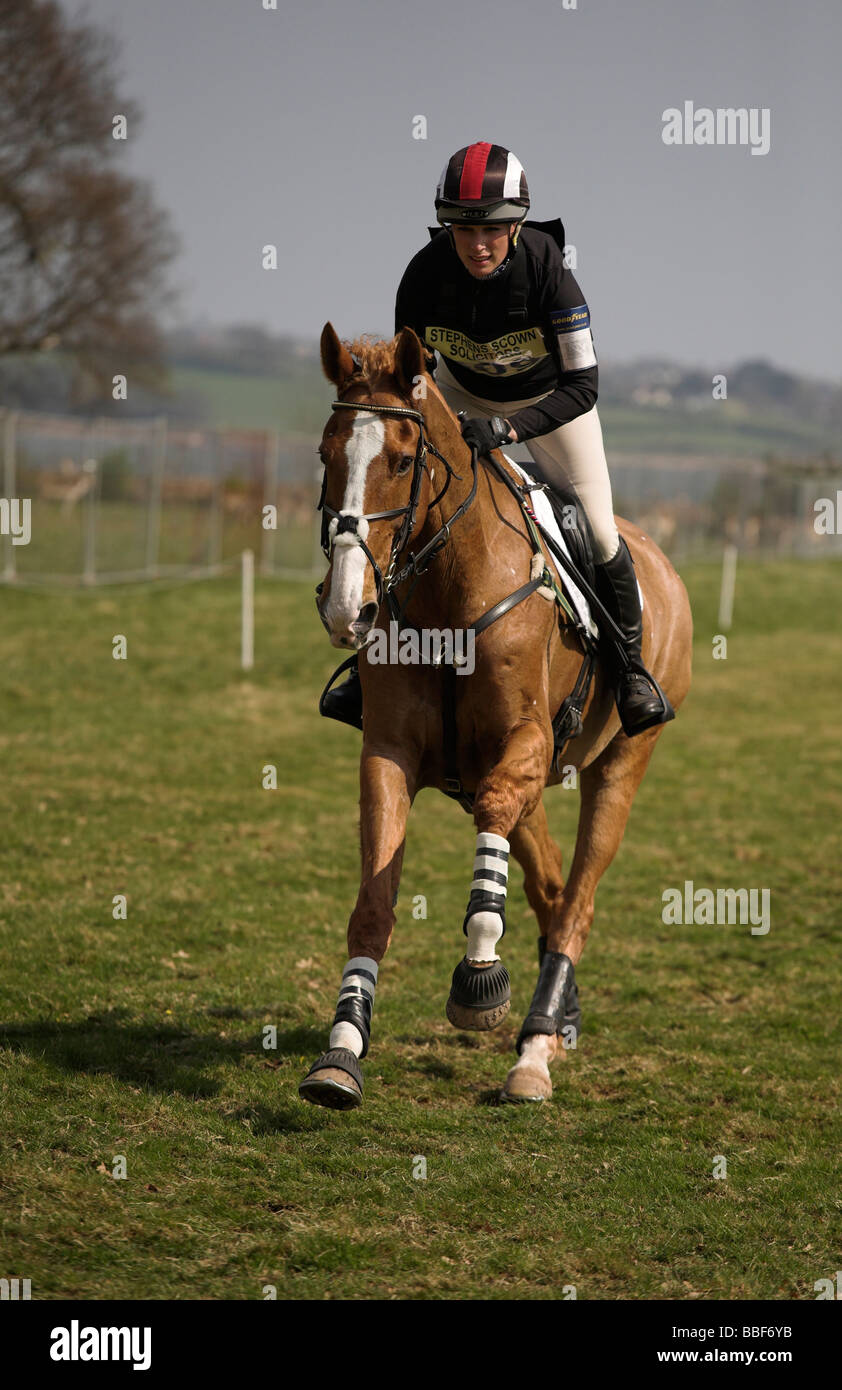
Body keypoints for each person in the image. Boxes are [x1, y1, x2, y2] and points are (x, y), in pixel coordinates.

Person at [322, 141, 671, 737]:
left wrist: (508, 429)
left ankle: (631, 669)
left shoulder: (550, 274)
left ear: (517, 226)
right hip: (458, 394)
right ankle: (369, 662)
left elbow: (583, 385)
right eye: (463, 229)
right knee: (413, 510)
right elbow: (414, 376)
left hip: (551, 406)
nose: (478, 244)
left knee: (599, 524)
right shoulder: (423, 274)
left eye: (494, 230)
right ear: (447, 228)